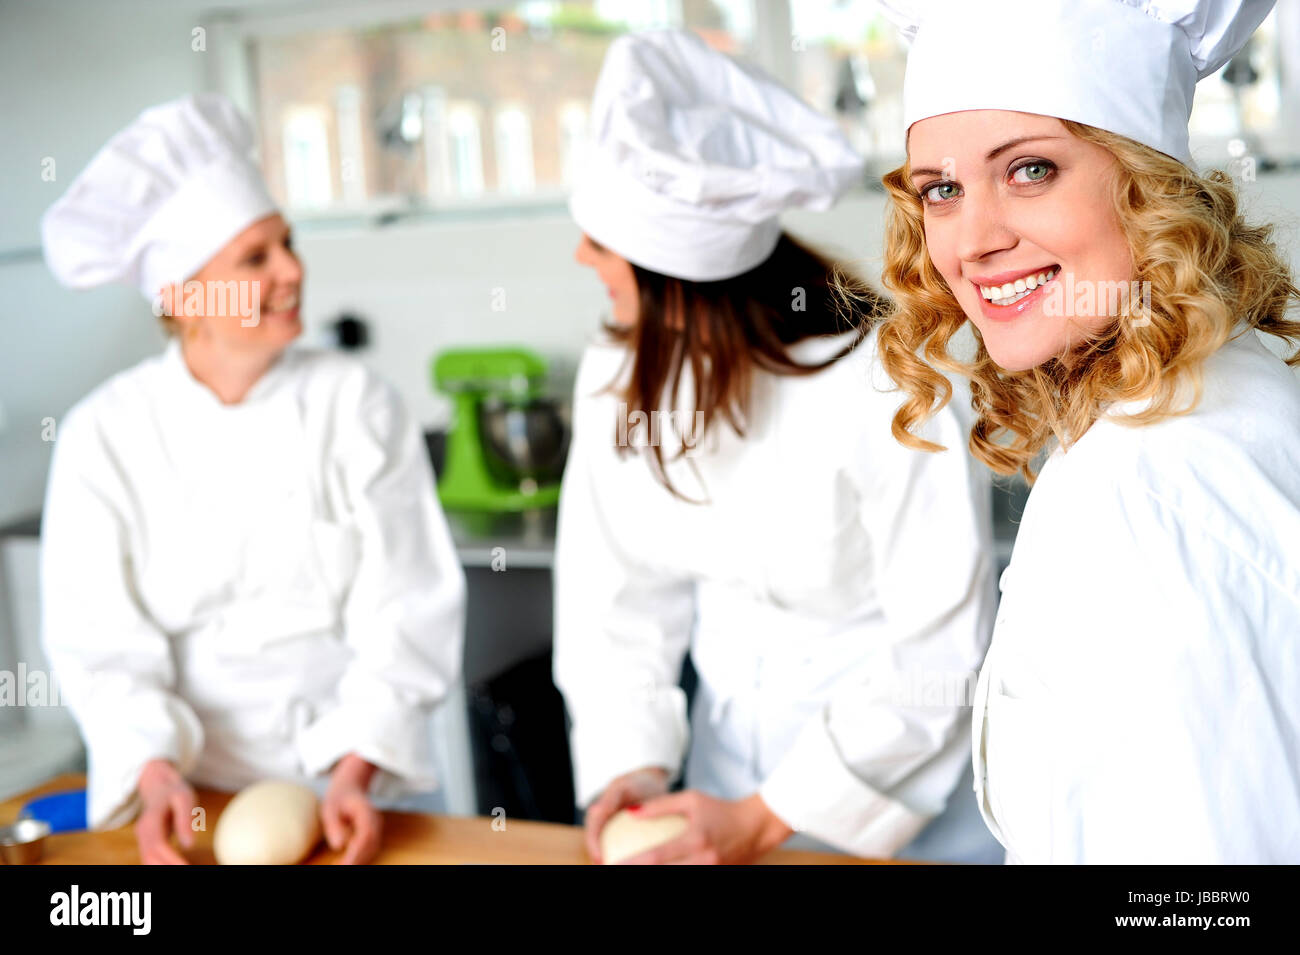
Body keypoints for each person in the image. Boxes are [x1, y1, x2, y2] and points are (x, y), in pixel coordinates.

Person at [553, 29, 1001, 864]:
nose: (581, 256)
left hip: (904, 799)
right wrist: (631, 761)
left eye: (601, 243)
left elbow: (941, 641)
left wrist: (774, 812)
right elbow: (615, 594)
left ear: (676, 281)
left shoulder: (889, 379)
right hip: (721, 787)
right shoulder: (621, 366)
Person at [874, 0, 1298, 861]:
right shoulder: (1234, 382)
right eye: (942, 190)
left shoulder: (1139, 495)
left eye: (1030, 170)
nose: (975, 240)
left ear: (1151, 188)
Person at [39, 94, 465, 864]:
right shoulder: (105, 434)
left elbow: (407, 607)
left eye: (289, 245)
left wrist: (356, 767)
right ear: (184, 296)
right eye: (256, 258)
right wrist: (156, 772)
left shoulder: (354, 401)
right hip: (194, 802)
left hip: (361, 790)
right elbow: (101, 647)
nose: (294, 270)